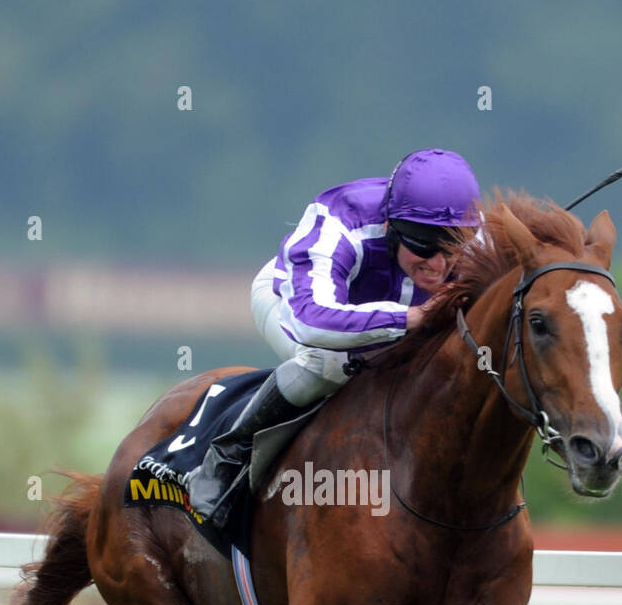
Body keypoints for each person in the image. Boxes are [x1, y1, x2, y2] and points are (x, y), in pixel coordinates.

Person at [185, 147, 481, 525]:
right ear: (390, 227)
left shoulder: (477, 236)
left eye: (453, 248)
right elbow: (311, 322)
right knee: (327, 361)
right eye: (423, 246)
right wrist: (414, 317)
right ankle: (226, 458)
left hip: (399, 316)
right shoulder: (340, 221)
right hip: (294, 306)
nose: (439, 265)